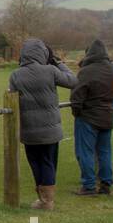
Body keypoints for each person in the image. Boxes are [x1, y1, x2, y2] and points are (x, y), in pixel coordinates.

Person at [8, 38, 77, 211]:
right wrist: (59, 63)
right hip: (51, 129)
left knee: (35, 163)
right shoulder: (50, 71)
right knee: (48, 162)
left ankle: (42, 199)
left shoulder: (16, 75)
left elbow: (12, 97)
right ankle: (47, 201)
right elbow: (73, 81)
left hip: (29, 130)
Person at [70, 40, 113, 196]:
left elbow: (77, 96)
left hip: (89, 116)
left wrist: (77, 113)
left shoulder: (87, 71)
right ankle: (106, 184)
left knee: (85, 152)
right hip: (108, 114)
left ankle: (89, 185)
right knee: (105, 152)